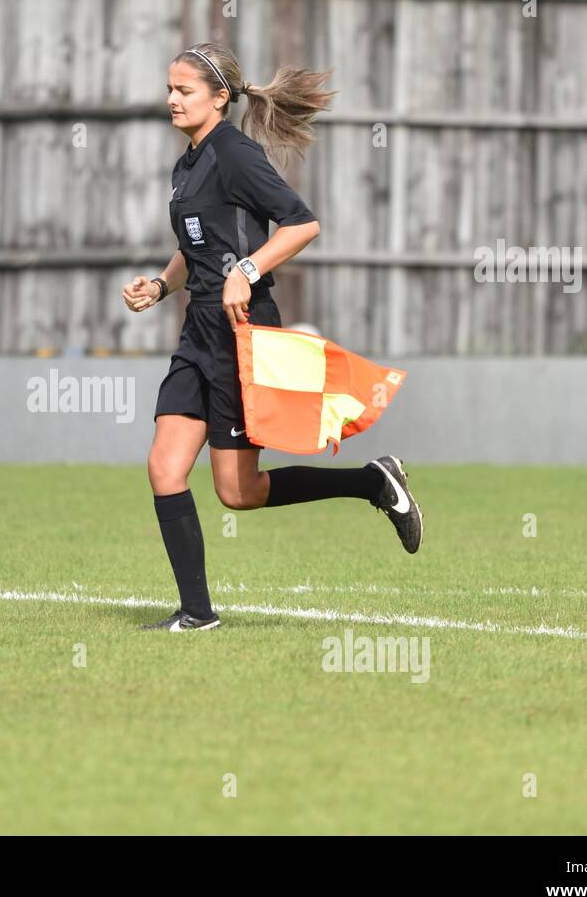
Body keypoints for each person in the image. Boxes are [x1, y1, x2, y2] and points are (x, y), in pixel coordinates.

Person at [122, 43, 423, 632]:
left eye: (184, 90)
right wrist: (160, 286)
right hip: (197, 334)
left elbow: (302, 222)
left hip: (242, 333)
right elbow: (195, 245)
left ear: (220, 97)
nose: (171, 99)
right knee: (165, 468)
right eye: (169, 89)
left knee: (240, 493)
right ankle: (196, 613)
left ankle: (372, 480)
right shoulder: (188, 162)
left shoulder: (235, 154)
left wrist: (247, 270)